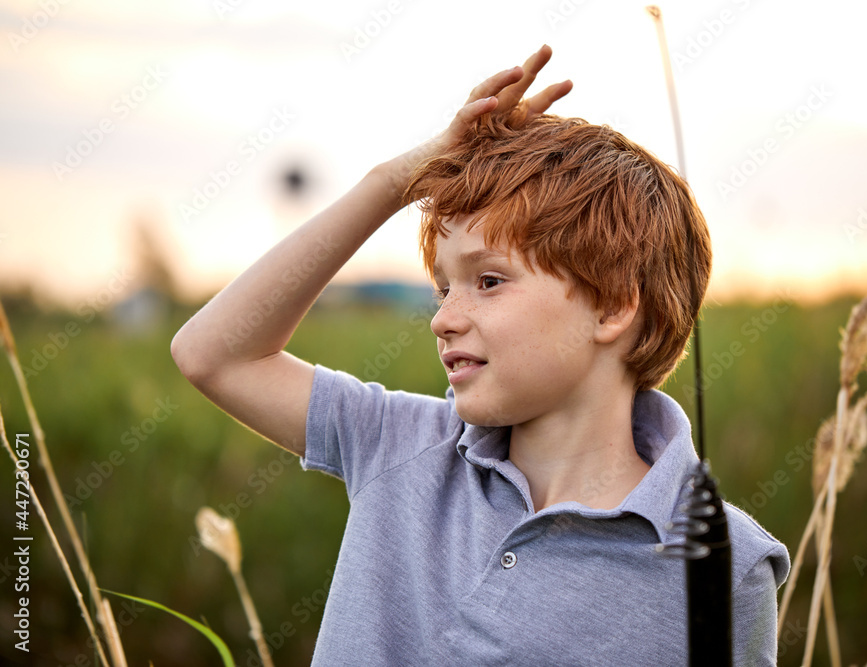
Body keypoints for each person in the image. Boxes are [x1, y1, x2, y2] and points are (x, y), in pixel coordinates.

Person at [171, 45, 790, 665]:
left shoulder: (726, 567)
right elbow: (215, 355)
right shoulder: (396, 444)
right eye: (443, 287)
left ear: (611, 308)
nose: (443, 318)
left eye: (488, 281)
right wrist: (395, 181)